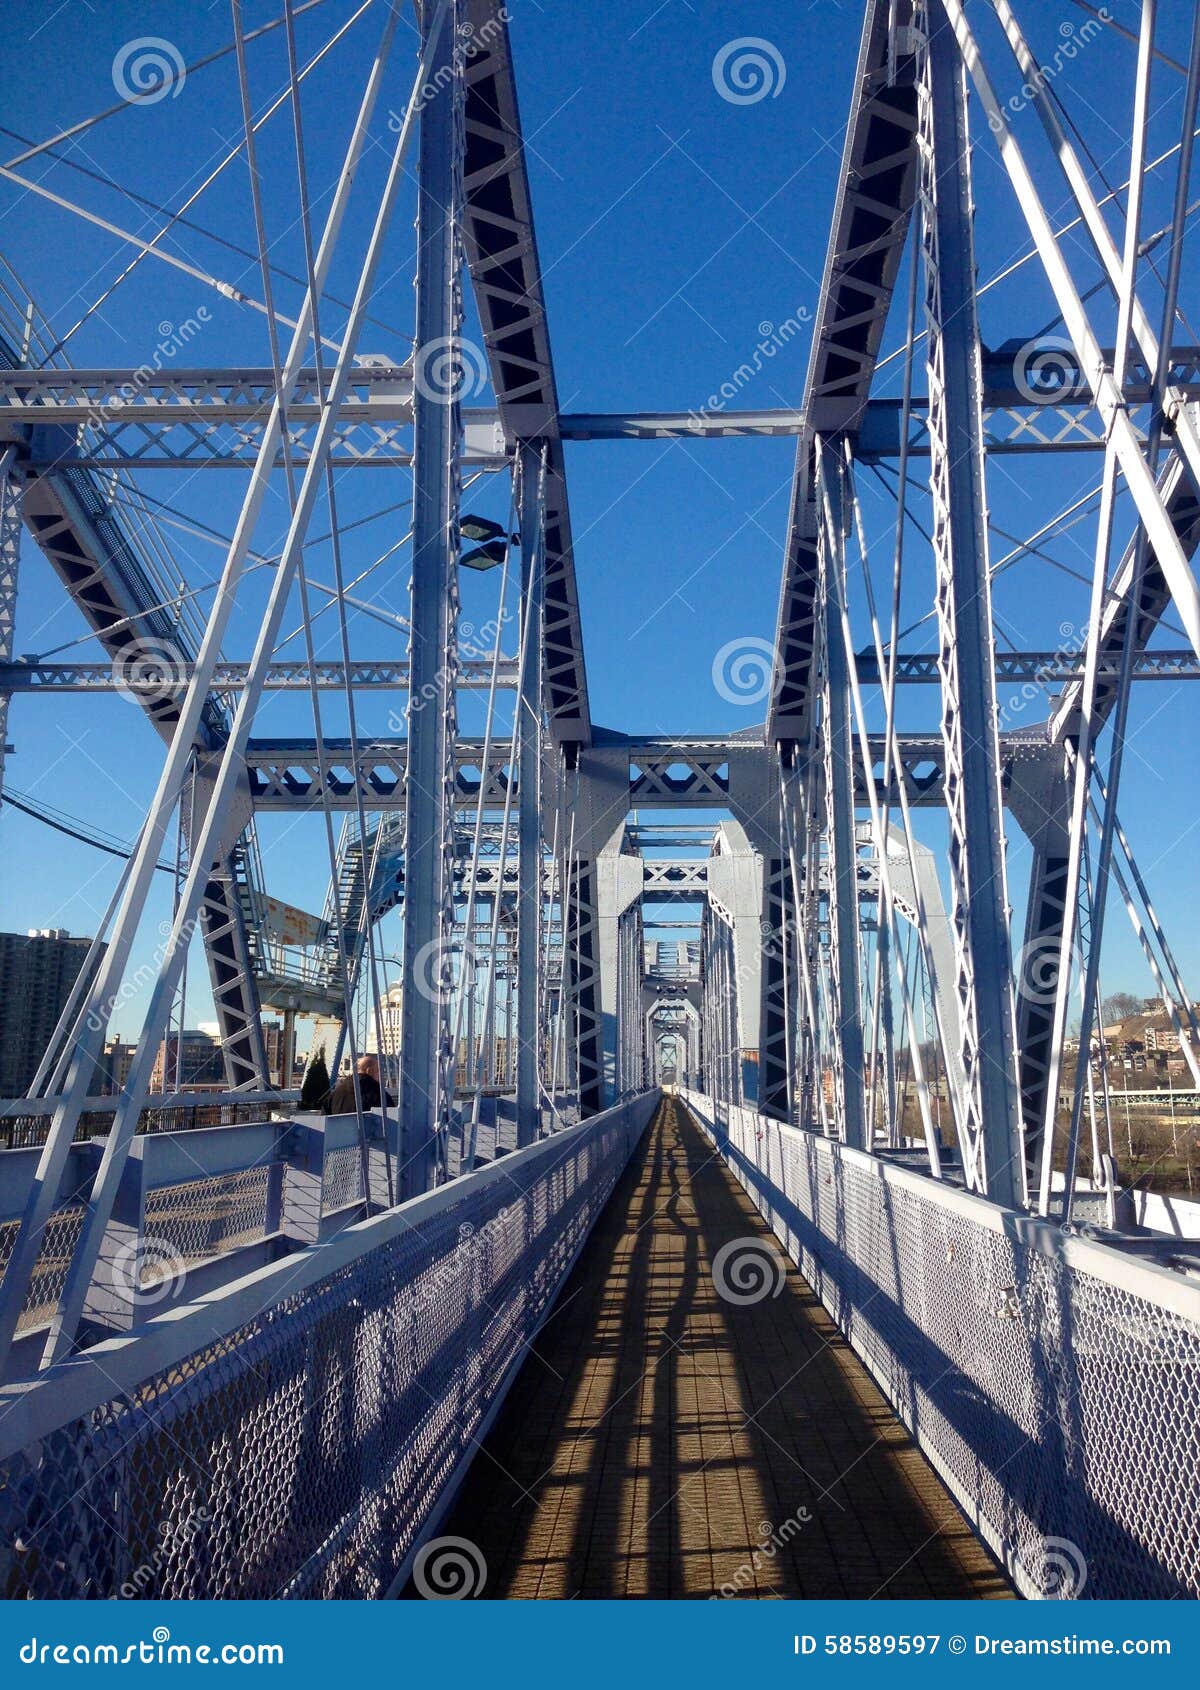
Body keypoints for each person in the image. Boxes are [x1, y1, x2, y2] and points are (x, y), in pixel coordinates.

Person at [326, 1053, 393, 1115]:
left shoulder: (335, 1094)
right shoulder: (380, 1096)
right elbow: (391, 1120)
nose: (380, 1076)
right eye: (378, 1071)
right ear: (369, 1071)